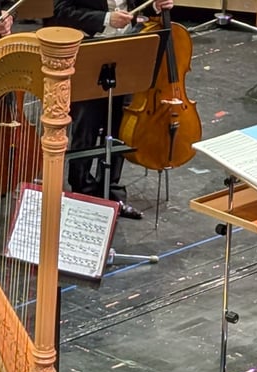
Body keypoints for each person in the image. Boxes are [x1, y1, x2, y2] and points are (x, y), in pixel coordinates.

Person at [53, 0, 174, 220]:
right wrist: (107, 19)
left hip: (127, 48)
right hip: (89, 48)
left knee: (121, 125)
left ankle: (111, 192)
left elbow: (139, 4)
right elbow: (61, 10)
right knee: (86, 125)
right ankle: (81, 190)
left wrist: (155, 6)